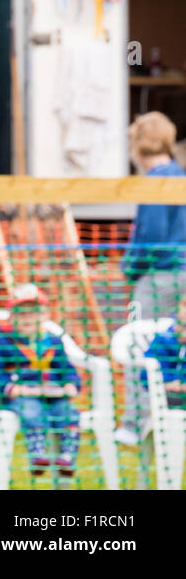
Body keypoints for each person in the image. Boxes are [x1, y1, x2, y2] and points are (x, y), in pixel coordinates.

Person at [117, 111, 186, 444]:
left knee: (137, 339)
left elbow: (153, 236)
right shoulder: (180, 175)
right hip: (182, 270)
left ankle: (134, 421)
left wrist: (129, 267)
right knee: (172, 341)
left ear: (138, 145)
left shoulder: (155, 181)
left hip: (159, 275)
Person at [0, 284, 82, 476]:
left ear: (44, 316)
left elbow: (66, 367)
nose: (27, 318)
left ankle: (67, 458)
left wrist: (71, 384)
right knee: (31, 410)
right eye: (21, 313)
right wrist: (10, 388)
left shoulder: (52, 341)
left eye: (33, 312)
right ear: (11, 316)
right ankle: (38, 455)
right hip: (20, 396)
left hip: (52, 395)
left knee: (69, 413)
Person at [141, 294, 186, 410]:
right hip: (171, 396)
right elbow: (147, 373)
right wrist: (170, 383)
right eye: (182, 325)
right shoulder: (165, 340)